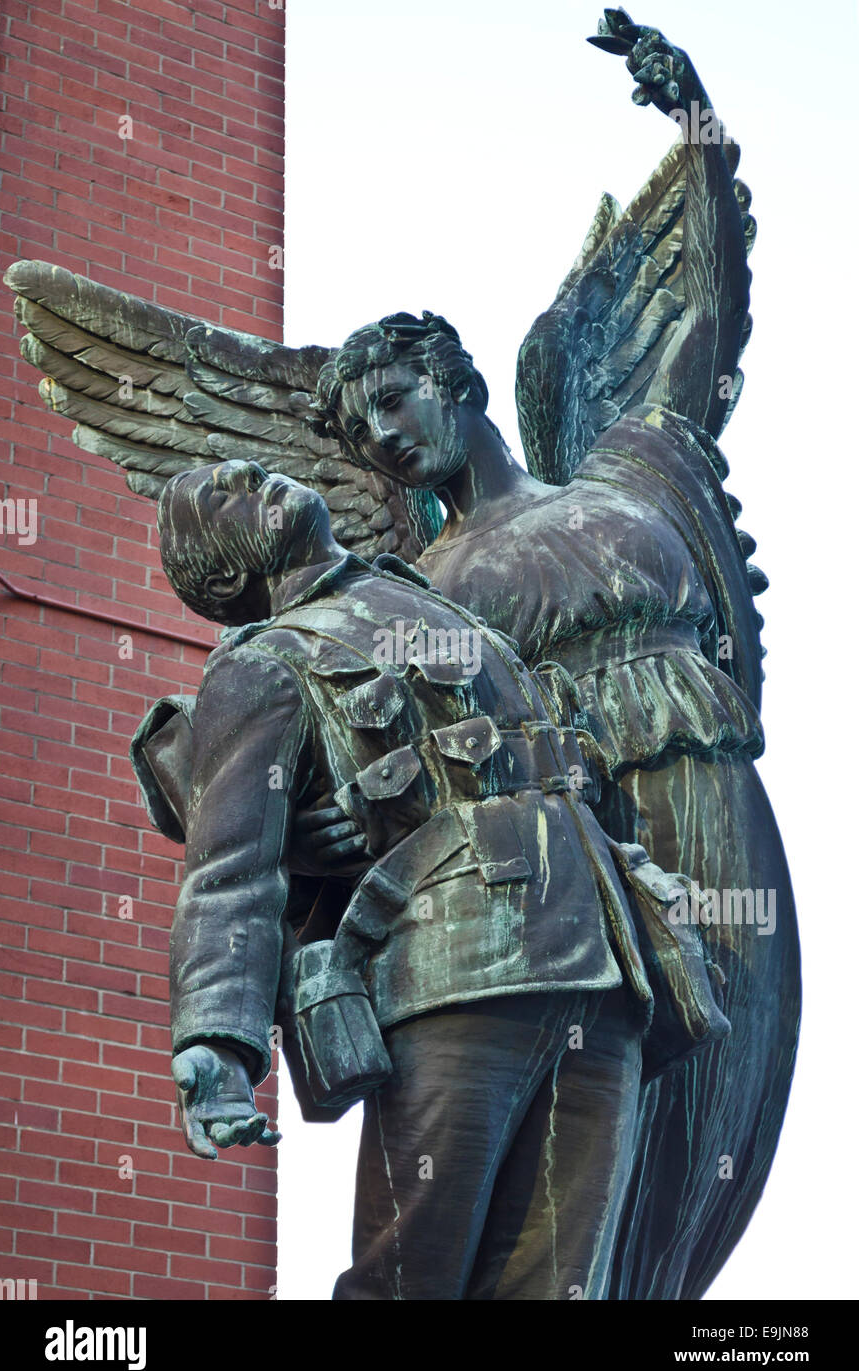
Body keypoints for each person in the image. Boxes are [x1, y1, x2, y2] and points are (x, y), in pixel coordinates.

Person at [306, 17, 801, 1301]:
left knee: (708, 1148)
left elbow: (699, 319)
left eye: (393, 398)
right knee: (594, 1187)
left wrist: (694, 123)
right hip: (572, 854)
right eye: (361, 426)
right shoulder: (415, 585)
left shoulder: (621, 457)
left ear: (454, 377)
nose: (380, 432)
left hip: (717, 809)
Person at [143, 456, 693, 1300]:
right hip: (454, 967)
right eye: (225, 491)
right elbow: (230, 869)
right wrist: (217, 1040)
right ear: (223, 566)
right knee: (412, 1273)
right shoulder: (262, 664)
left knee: (560, 1284)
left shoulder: (435, 604)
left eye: (251, 469)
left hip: (601, 958)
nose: (256, 474)